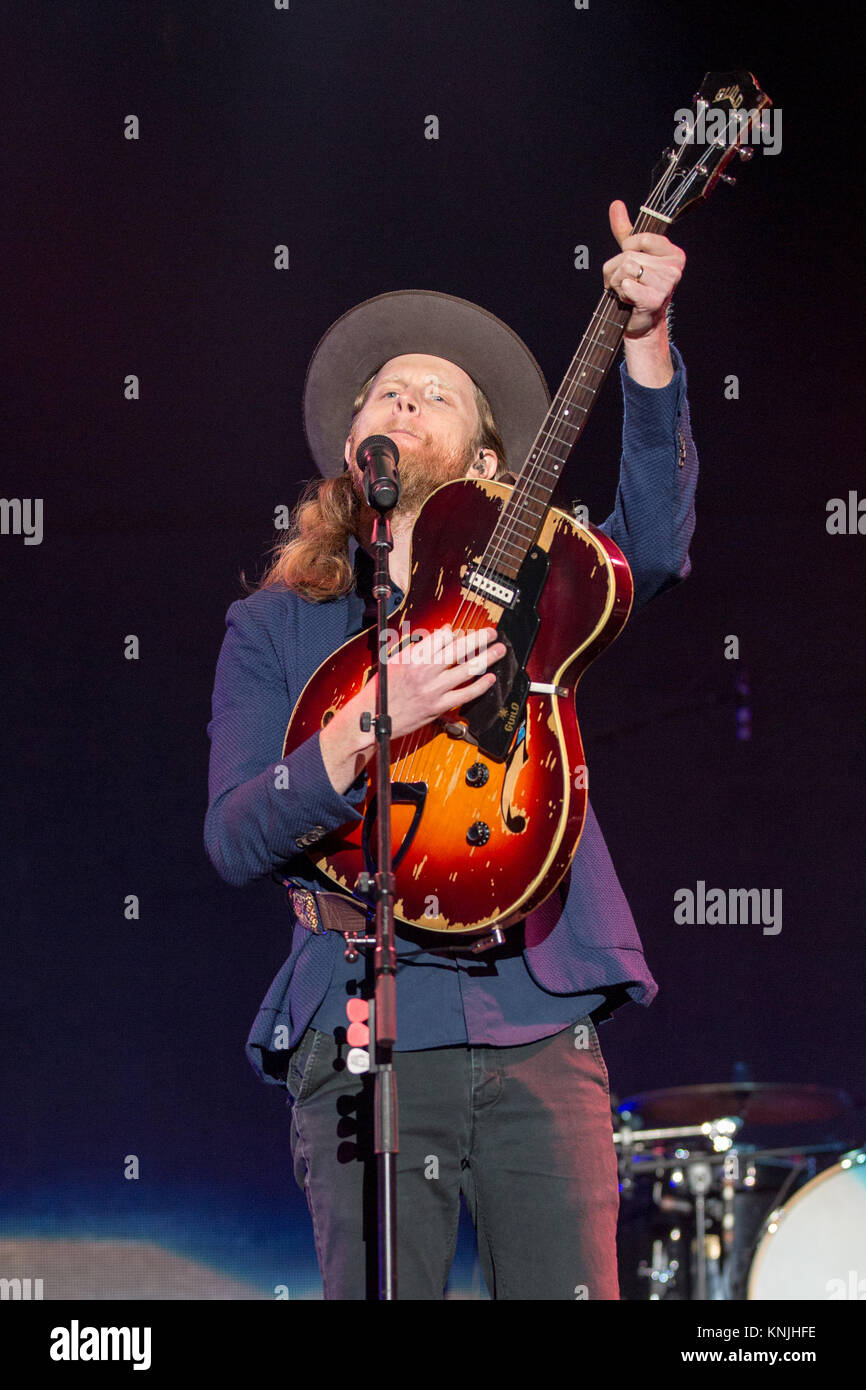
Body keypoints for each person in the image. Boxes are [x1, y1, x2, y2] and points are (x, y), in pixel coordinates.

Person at [205, 201, 697, 1300]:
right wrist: (370, 714)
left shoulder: (543, 591)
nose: (403, 398)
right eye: (386, 391)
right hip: (361, 1032)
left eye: (436, 395)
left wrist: (648, 341)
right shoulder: (277, 624)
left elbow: (652, 544)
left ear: (485, 459)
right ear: (352, 446)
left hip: (535, 1013)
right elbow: (235, 832)